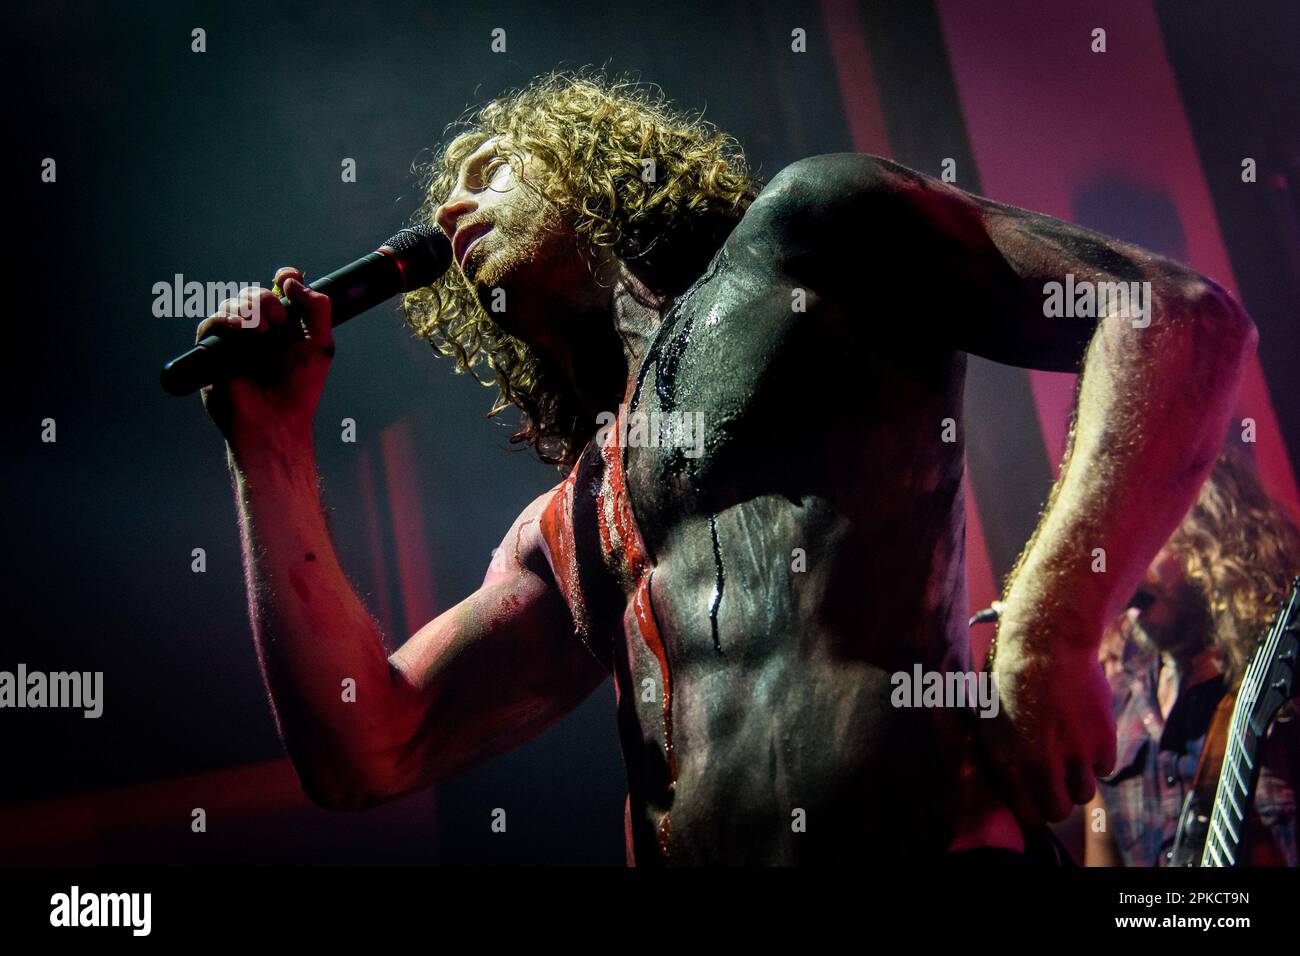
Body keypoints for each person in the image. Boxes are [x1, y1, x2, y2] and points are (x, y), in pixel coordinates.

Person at [194, 72, 1256, 863]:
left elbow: (1168, 312)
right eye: (447, 196)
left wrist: (1053, 619)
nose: (456, 208)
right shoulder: (568, 526)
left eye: (489, 168)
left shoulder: (804, 236)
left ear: (586, 162)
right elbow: (368, 745)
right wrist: (270, 444)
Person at [1085, 449, 1300, 866]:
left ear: (1211, 540)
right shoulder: (1111, 707)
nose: (1128, 570)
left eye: (1149, 541)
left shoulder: (1282, 680)